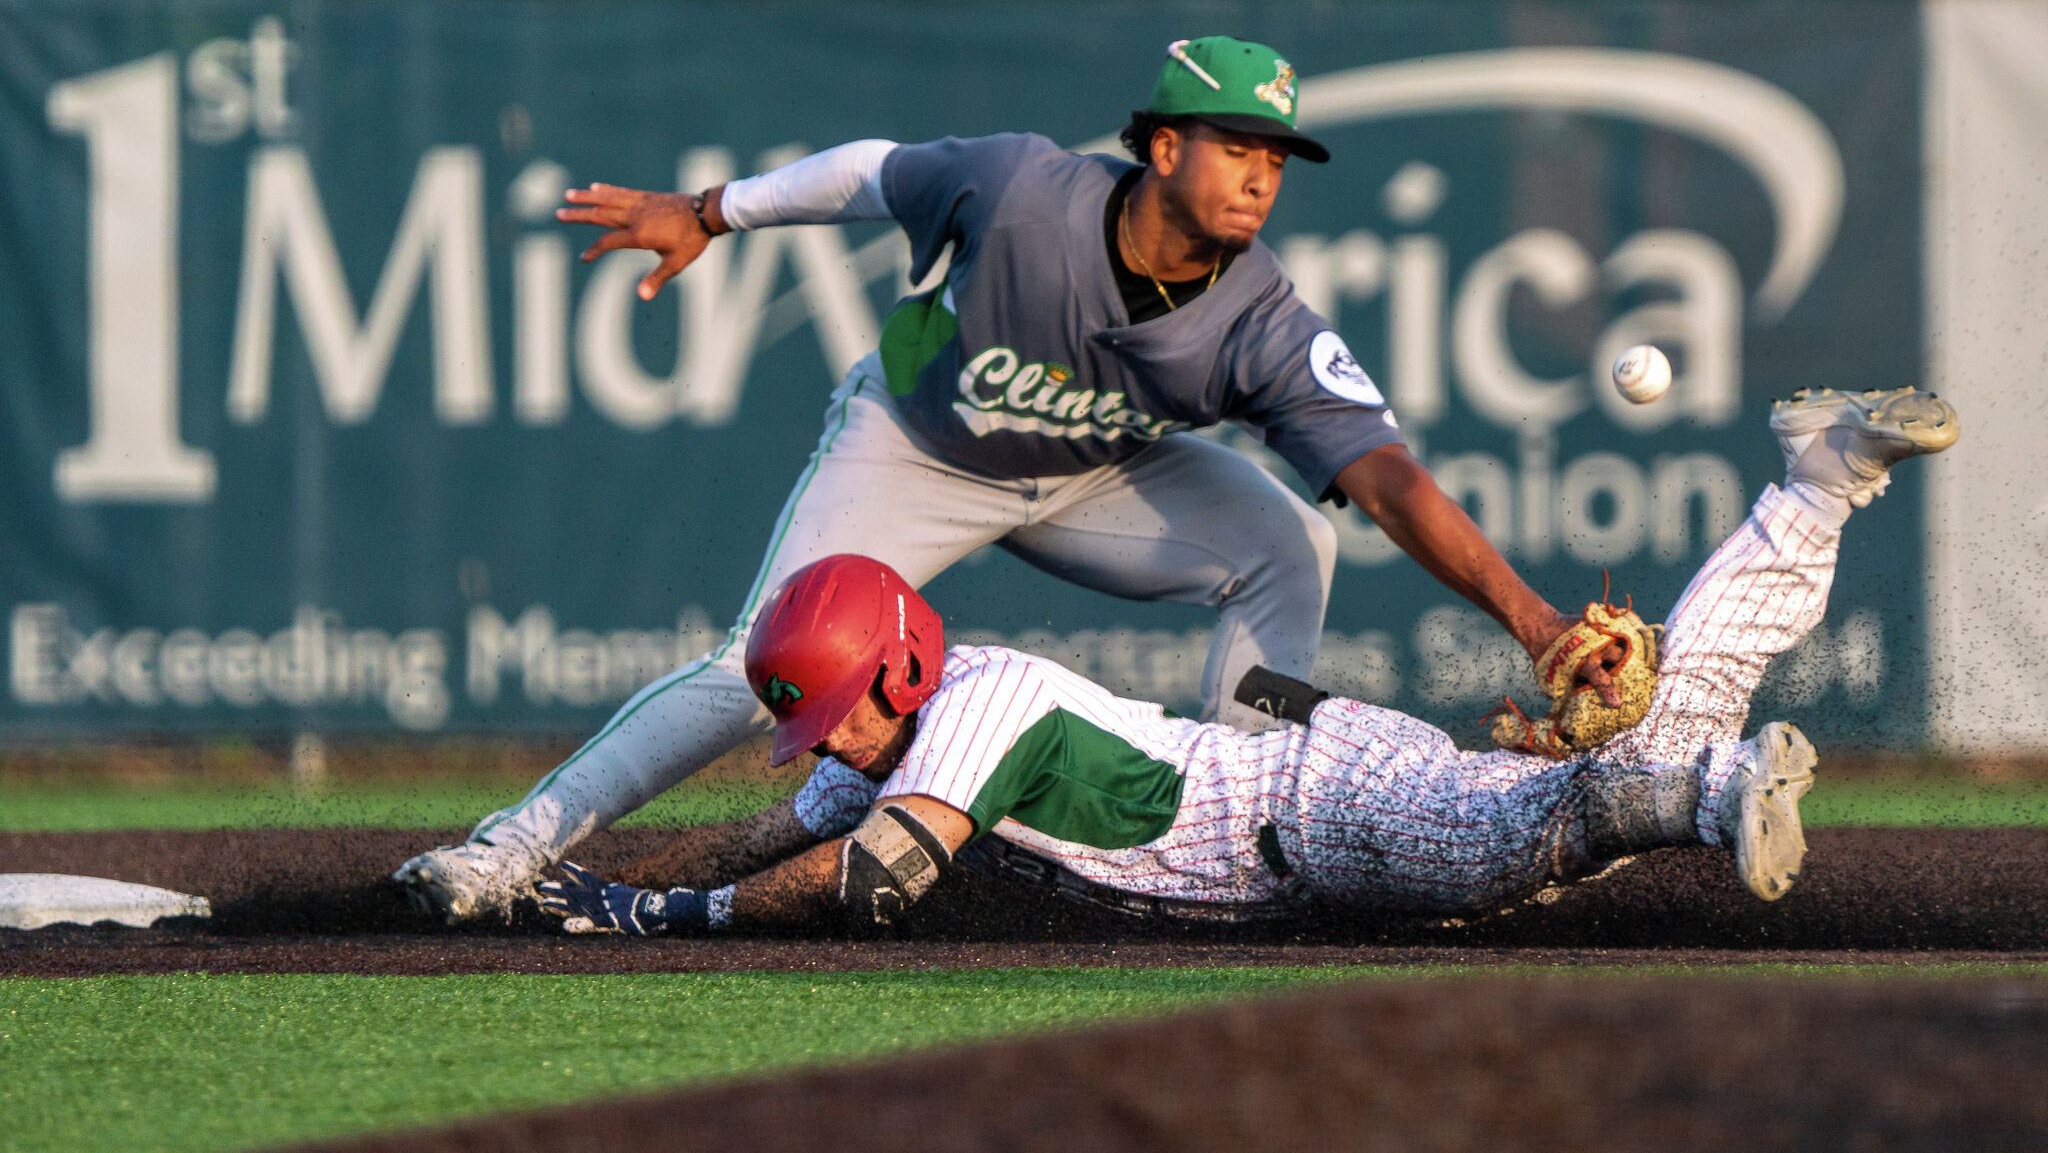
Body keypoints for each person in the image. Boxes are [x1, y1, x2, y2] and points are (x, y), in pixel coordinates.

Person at [401, 37, 1620, 923]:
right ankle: (506, 852)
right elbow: (869, 172)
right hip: (912, 444)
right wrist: (712, 212)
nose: (1260, 173)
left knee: (1290, 540)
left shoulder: (1260, 318)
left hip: (1095, 474)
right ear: (1160, 145)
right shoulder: (1023, 188)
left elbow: (1388, 476)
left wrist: (1534, 621)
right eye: (1235, 144)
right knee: (747, 670)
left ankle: (1235, 829)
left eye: (1277, 155)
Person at [533, 387, 1960, 935]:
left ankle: (1710, 795)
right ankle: (1816, 482)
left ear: (901, 673)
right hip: (1308, 780)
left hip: (1318, 811)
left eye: (836, 716)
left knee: (1548, 823)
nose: (826, 745)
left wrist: (684, 924)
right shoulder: (889, 745)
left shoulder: (978, 706)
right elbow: (776, 829)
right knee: (1629, 752)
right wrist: (608, 882)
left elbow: (873, 878)